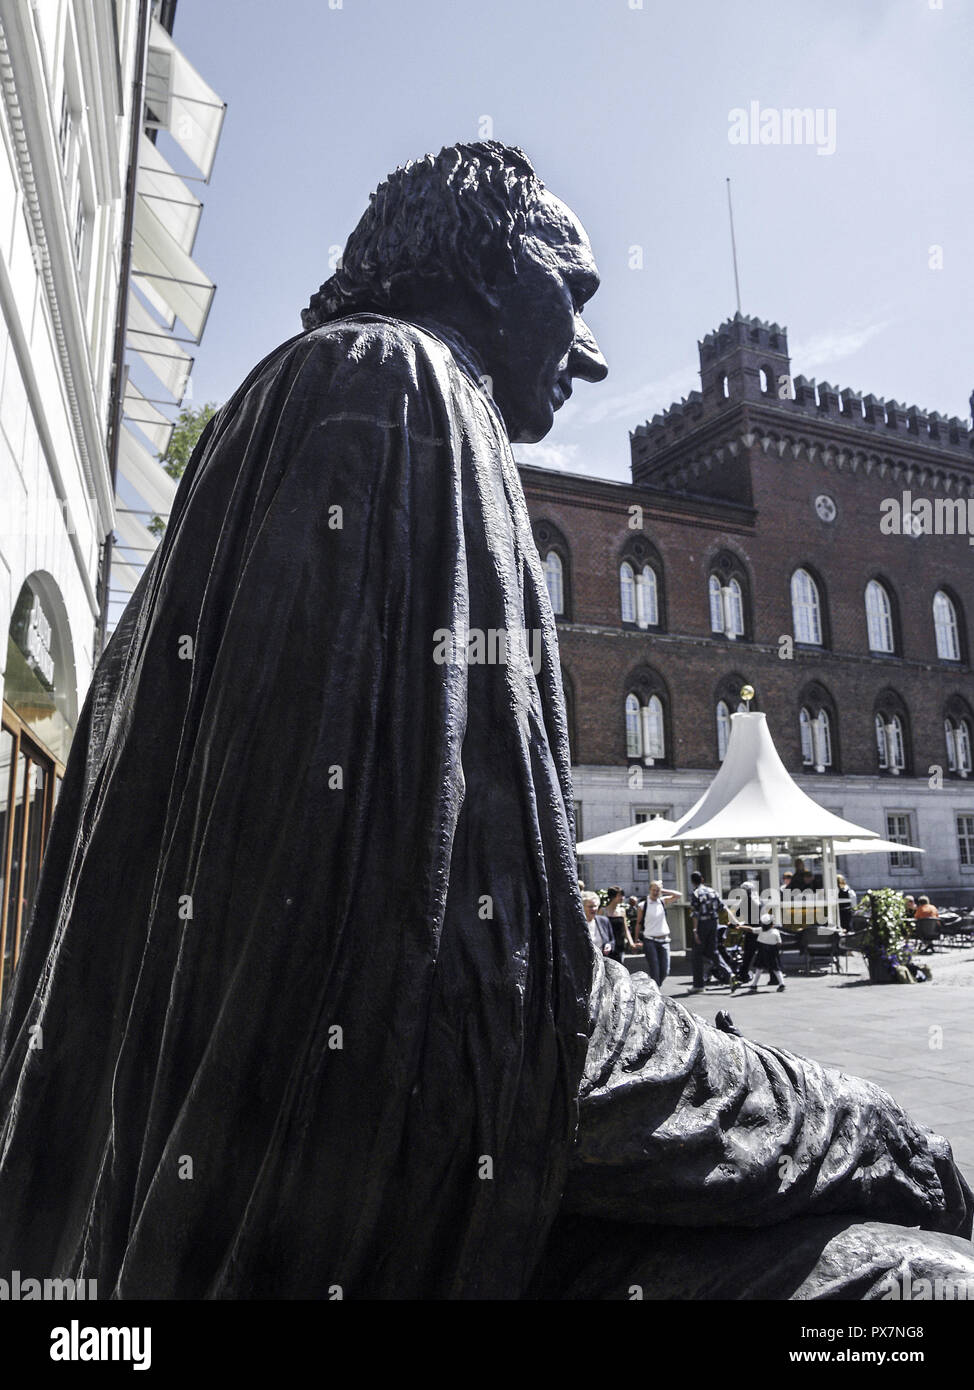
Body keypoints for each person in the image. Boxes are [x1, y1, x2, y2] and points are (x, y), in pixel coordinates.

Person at [0, 141, 971, 1302]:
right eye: (571, 290)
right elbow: (513, 1021)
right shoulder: (407, 395)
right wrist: (857, 1129)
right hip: (361, 1243)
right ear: (483, 256)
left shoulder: (257, 427)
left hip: (180, 1249)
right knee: (913, 1290)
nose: (593, 353)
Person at [688, 870, 736, 992]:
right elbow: (723, 908)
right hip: (714, 923)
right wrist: (734, 920)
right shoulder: (713, 891)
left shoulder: (696, 893)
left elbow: (695, 914)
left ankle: (698, 985)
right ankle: (730, 974)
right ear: (702, 879)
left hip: (702, 924)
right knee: (713, 952)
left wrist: (695, 931)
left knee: (697, 954)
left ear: (692, 882)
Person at [640, 881, 679, 987]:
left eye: (658, 890)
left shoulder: (662, 901)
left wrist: (664, 891)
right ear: (649, 890)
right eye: (654, 890)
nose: (656, 892)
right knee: (655, 970)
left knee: (665, 970)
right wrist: (636, 940)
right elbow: (638, 924)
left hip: (664, 940)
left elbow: (678, 895)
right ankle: (656, 993)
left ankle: (654, 989)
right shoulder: (643, 905)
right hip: (650, 940)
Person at [748, 921, 786, 993]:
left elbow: (750, 929)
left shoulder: (761, 930)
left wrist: (739, 927)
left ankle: (754, 985)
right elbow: (779, 943)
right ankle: (782, 984)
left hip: (762, 951)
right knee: (776, 968)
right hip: (773, 952)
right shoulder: (775, 931)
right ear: (772, 925)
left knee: (759, 968)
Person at [582, 892, 615, 959]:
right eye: (590, 906)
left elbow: (612, 940)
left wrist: (609, 945)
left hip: (602, 962)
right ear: (582, 907)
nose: (594, 909)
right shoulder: (577, 924)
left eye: (595, 906)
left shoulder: (604, 921)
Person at [602, 886, 628, 963]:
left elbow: (625, 928)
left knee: (620, 968)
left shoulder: (622, 911)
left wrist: (632, 943)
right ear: (613, 897)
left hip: (620, 944)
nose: (623, 898)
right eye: (620, 895)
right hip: (607, 945)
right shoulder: (603, 911)